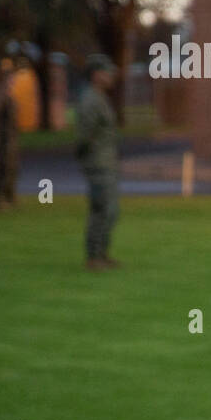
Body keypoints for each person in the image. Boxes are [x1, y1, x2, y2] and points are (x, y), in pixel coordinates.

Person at [76, 53, 122, 270]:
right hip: (98, 163)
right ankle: (94, 257)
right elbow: (85, 135)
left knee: (106, 210)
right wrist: (88, 158)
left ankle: (101, 254)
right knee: (105, 209)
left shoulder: (100, 97)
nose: (111, 75)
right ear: (96, 75)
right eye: (106, 72)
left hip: (106, 161)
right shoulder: (91, 100)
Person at [0, 59, 18, 208]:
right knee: (2, 168)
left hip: (8, 138)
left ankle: (8, 197)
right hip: (2, 139)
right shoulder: (1, 92)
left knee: (10, 168)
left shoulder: (7, 94)